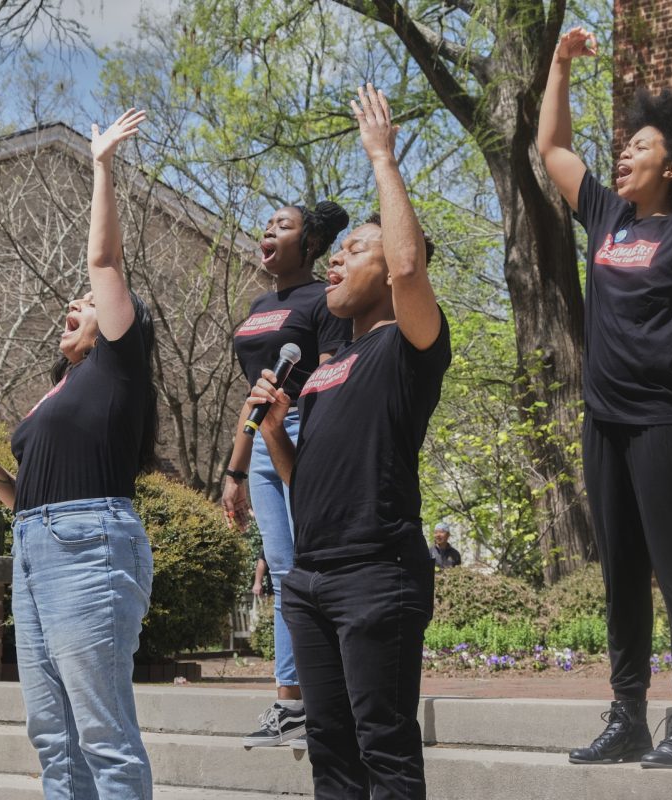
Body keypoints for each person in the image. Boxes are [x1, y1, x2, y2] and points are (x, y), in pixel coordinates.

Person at [538, 29, 672, 769]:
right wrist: (559, 67)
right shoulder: (608, 218)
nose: (623, 153)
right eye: (623, 145)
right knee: (622, 575)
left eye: (639, 146)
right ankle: (627, 714)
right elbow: (554, 150)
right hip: (605, 423)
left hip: (670, 422)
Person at [248, 84, 450, 799]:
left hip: (377, 575)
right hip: (311, 579)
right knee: (330, 756)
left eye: (353, 250)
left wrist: (381, 157)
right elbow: (312, 484)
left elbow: (407, 268)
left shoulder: (411, 345)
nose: (334, 260)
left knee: (383, 750)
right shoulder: (328, 363)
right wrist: (275, 438)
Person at [0, 108, 160, 799]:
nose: (76, 304)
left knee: (102, 733)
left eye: (88, 302)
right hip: (35, 546)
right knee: (52, 733)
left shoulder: (119, 369)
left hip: (91, 546)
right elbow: (33, 495)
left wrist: (101, 164)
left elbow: (103, 260)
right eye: (73, 303)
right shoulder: (60, 389)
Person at [222, 199, 351, 748]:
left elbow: (332, 377)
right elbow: (251, 393)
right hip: (262, 431)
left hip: (306, 429)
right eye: (267, 225)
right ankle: (290, 704)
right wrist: (234, 470)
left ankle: (330, 695)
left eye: (284, 226)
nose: (269, 231)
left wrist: (315, 440)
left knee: (313, 564)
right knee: (282, 571)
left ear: (309, 244)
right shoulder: (256, 306)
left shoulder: (325, 297)